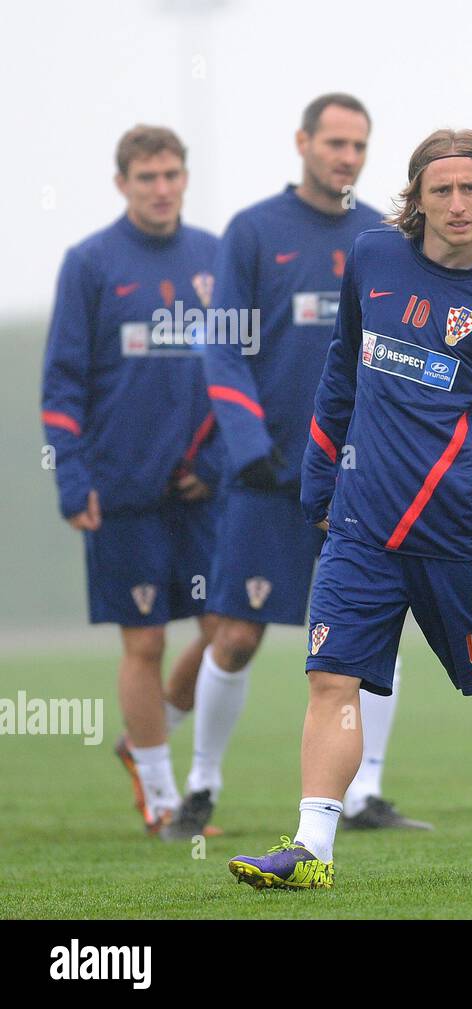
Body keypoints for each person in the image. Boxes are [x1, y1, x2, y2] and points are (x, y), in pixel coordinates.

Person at [228, 128, 472, 889]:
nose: (457, 203)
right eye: (440, 189)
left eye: (471, 189)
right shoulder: (375, 256)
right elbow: (341, 374)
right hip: (361, 525)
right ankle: (312, 846)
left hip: (458, 532)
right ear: (415, 198)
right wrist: (320, 483)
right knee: (331, 677)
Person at [191, 94, 427, 837]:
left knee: (371, 633)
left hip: (363, 479)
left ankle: (364, 795)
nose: (347, 157)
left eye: (359, 145)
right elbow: (220, 345)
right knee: (235, 633)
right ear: (303, 142)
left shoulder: (384, 236)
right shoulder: (254, 231)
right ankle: (199, 787)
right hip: (267, 476)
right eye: (334, 143)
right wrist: (247, 442)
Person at [41, 125, 222, 838]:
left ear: (185, 177)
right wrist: (69, 474)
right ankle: (162, 797)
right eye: (146, 176)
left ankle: (145, 736)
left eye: (171, 174)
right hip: (121, 489)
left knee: (227, 631)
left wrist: (221, 460)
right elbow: (62, 381)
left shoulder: (215, 257)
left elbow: (239, 370)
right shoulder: (90, 263)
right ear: (122, 183)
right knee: (144, 643)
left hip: (205, 489)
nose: (161, 187)